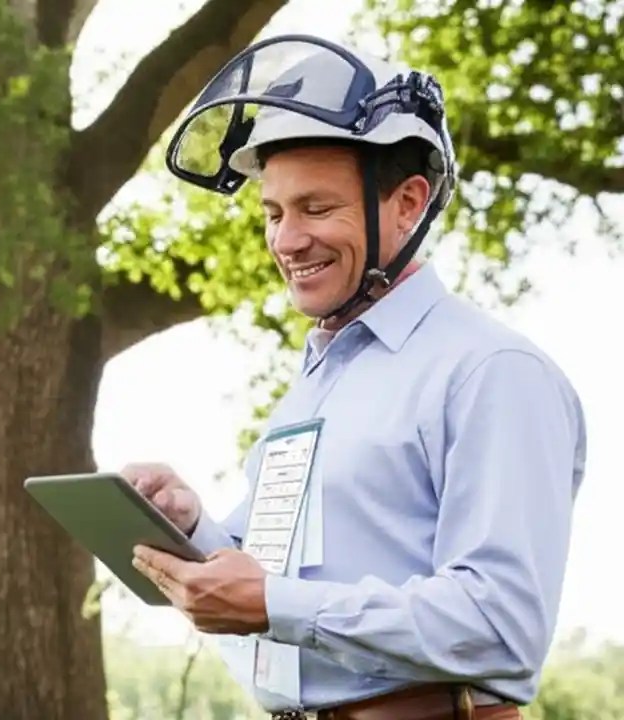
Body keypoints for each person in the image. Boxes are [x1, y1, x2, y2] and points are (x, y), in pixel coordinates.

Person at [121, 35, 587, 720]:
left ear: (407, 202)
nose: (285, 241)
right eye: (273, 214)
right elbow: (275, 579)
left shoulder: (491, 373)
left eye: (316, 209)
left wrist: (272, 603)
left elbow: (501, 625)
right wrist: (196, 531)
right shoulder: (317, 380)